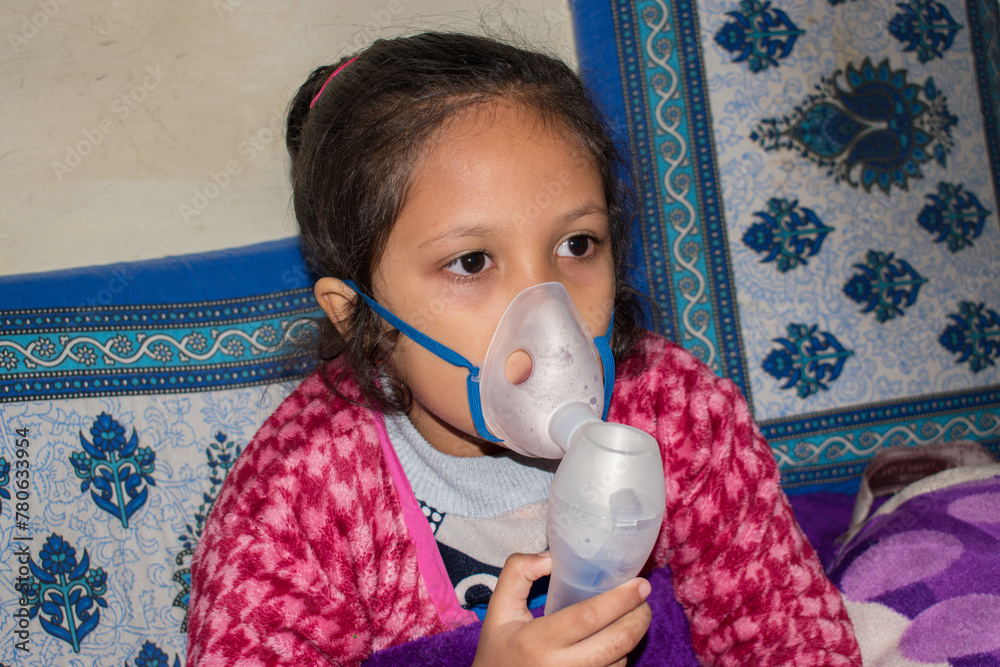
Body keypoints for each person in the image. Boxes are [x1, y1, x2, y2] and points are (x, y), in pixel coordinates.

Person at [187, 32, 861, 666]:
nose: (548, 309)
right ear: (359, 315)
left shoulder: (679, 415)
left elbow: (789, 639)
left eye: (577, 245)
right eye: (473, 261)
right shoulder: (296, 501)